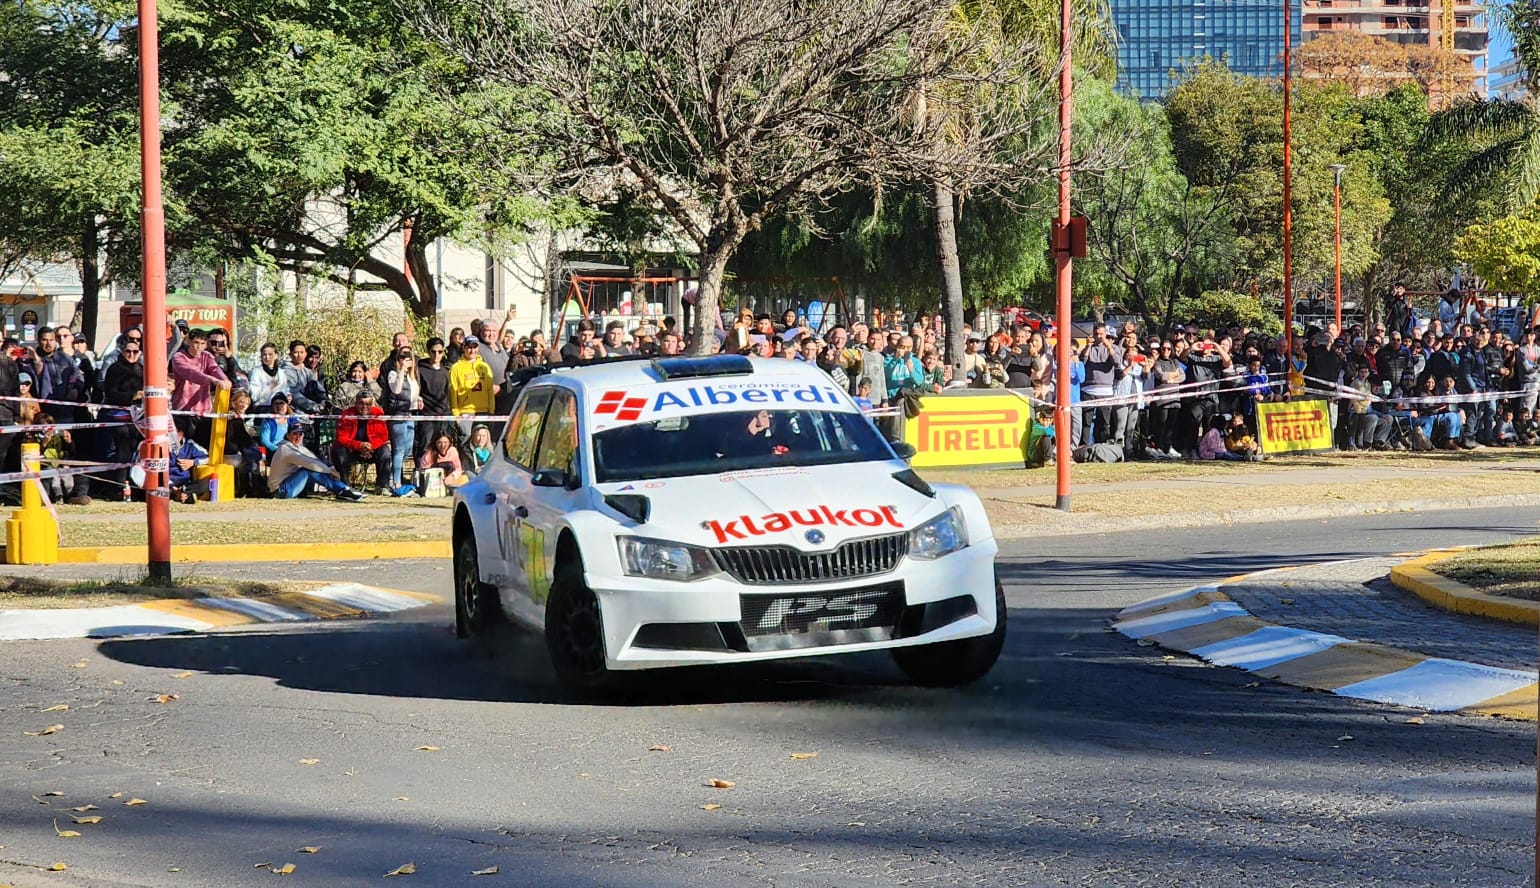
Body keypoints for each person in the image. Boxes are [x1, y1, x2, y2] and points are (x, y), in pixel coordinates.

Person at [269, 421, 365, 501]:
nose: (298, 437)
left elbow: (316, 459)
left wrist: (331, 468)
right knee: (308, 470)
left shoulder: (299, 447)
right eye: (294, 434)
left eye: (300, 434)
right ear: (288, 435)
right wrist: (330, 471)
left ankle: (345, 489)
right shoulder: (285, 449)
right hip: (281, 491)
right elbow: (310, 463)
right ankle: (342, 490)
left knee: (318, 467)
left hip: (290, 485)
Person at [98, 335, 144, 498]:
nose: (132, 354)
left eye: (135, 351)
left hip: (137, 416)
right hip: (117, 415)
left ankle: (133, 485)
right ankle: (118, 486)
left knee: (135, 449)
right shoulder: (114, 369)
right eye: (128, 351)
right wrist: (133, 395)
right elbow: (111, 394)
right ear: (122, 351)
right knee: (123, 449)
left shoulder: (141, 369)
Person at [170, 328, 231, 440]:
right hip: (183, 410)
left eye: (203, 344)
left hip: (204, 410)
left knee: (205, 445)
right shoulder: (178, 357)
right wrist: (214, 380)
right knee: (185, 445)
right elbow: (192, 374)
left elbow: (215, 368)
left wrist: (224, 379)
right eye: (196, 343)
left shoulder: (207, 356)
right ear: (189, 341)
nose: (199, 347)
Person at [330, 391, 392, 491]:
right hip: (351, 450)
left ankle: (382, 486)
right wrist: (359, 445)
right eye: (361, 403)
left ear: (372, 404)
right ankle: (344, 485)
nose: (364, 407)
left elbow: (383, 436)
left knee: (385, 451)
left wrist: (369, 446)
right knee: (338, 450)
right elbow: (341, 438)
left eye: (368, 404)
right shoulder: (347, 414)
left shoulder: (378, 413)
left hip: (371, 450)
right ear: (356, 403)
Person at [383, 346, 421, 496]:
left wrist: (419, 399)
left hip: (410, 413)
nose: (405, 359)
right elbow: (397, 390)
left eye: (408, 356)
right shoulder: (393, 373)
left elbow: (413, 393)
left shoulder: (413, 376)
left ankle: (393, 474)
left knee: (408, 449)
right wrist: (402, 371)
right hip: (397, 414)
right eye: (402, 356)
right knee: (398, 450)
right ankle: (396, 482)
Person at [449, 335, 496, 436]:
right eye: (469, 347)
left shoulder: (484, 366)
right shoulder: (456, 368)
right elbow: (453, 392)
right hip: (465, 412)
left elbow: (490, 391)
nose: (472, 350)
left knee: (483, 444)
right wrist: (456, 414)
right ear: (464, 347)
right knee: (466, 443)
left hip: (484, 411)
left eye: (475, 347)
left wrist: (491, 411)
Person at [416, 336, 453, 459]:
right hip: (427, 415)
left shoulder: (446, 371)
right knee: (425, 446)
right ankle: (421, 472)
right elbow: (416, 389)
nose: (437, 355)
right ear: (428, 352)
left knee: (444, 447)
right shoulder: (419, 370)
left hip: (444, 414)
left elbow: (448, 392)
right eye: (433, 351)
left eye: (440, 351)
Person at [247, 343, 286, 409]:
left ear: (276, 356)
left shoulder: (281, 372)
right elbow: (254, 397)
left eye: (270, 354)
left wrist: (287, 396)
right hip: (263, 407)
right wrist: (269, 388)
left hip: (279, 408)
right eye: (264, 355)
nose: (267, 357)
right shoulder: (256, 372)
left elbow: (285, 389)